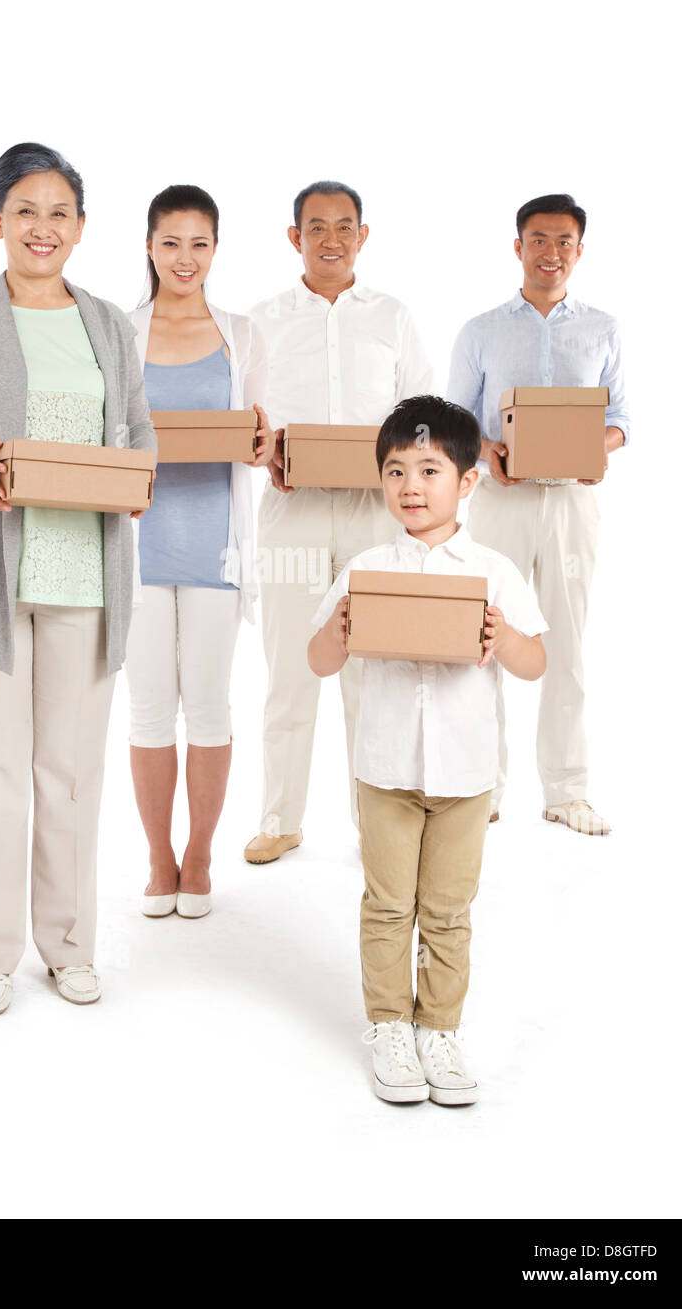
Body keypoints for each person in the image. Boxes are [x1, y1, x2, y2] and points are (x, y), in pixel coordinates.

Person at [0, 142, 156, 1015]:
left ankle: (69, 944)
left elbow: (139, 436)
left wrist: (139, 483)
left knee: (70, 773)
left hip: (85, 570)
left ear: (80, 228)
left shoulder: (113, 324)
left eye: (59, 214)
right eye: (25, 212)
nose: (42, 228)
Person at [308, 396, 548, 1103]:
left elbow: (534, 661)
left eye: (429, 470)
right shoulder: (366, 567)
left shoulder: (493, 571)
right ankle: (389, 1025)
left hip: (466, 776)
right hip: (385, 769)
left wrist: (499, 636)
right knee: (387, 904)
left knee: (447, 908)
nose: (410, 487)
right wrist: (342, 630)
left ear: (467, 482)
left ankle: (439, 1029)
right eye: (395, 470)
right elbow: (319, 660)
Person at [245, 180, 434, 865]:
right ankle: (280, 817)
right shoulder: (261, 321)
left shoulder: (392, 317)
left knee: (371, 671)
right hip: (292, 508)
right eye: (316, 227)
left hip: (372, 513)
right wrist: (263, 452)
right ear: (295, 238)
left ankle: (373, 825)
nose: (331, 238)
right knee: (290, 668)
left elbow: (423, 418)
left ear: (362, 235)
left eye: (344, 226)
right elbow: (247, 423)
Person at [448, 193, 630, 834]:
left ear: (579, 251)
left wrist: (596, 448)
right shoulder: (481, 330)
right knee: (485, 636)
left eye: (564, 241)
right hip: (502, 500)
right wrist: (488, 446)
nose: (550, 253)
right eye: (539, 239)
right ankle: (483, 787)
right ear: (518, 246)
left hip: (572, 504)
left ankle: (567, 790)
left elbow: (620, 422)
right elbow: (455, 417)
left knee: (567, 644)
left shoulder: (603, 329)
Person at [126, 185, 274, 917]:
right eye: (171, 242)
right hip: (140, 553)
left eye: (200, 243)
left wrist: (262, 442)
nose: (185, 258)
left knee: (209, 709)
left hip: (216, 549)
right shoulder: (117, 332)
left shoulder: (241, 334)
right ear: (149, 247)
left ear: (216, 249)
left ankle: (199, 854)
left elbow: (263, 443)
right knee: (151, 712)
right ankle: (158, 857)